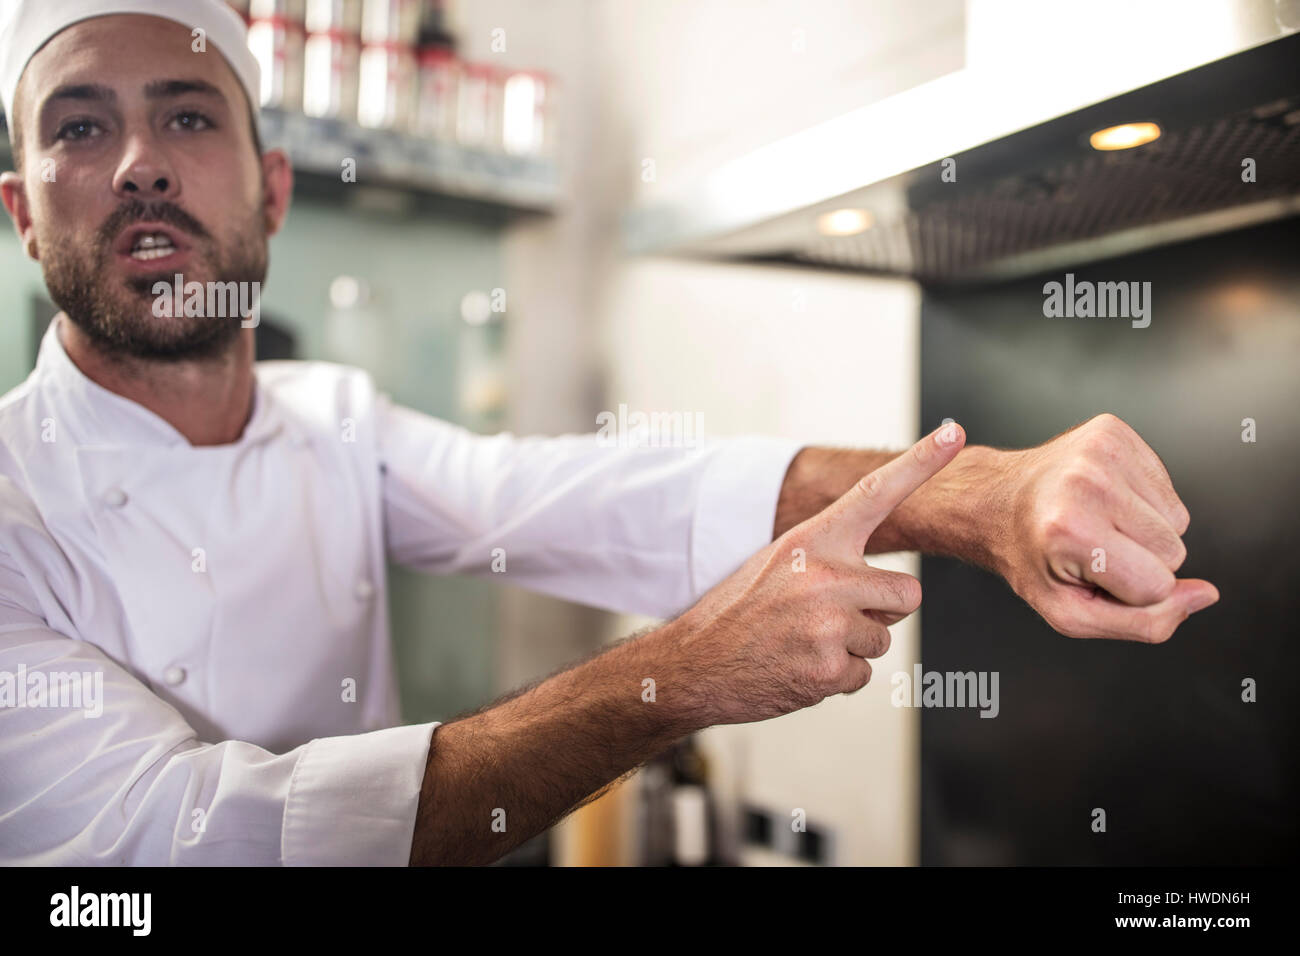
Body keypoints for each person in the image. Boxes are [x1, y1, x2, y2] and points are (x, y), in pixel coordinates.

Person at [0, 0, 1218, 866]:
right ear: (20, 210)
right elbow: (185, 840)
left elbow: (595, 493)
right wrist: (672, 676)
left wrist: (981, 494)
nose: (143, 167)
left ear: (271, 188)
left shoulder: (333, 425)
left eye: (188, 119)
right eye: (80, 127)